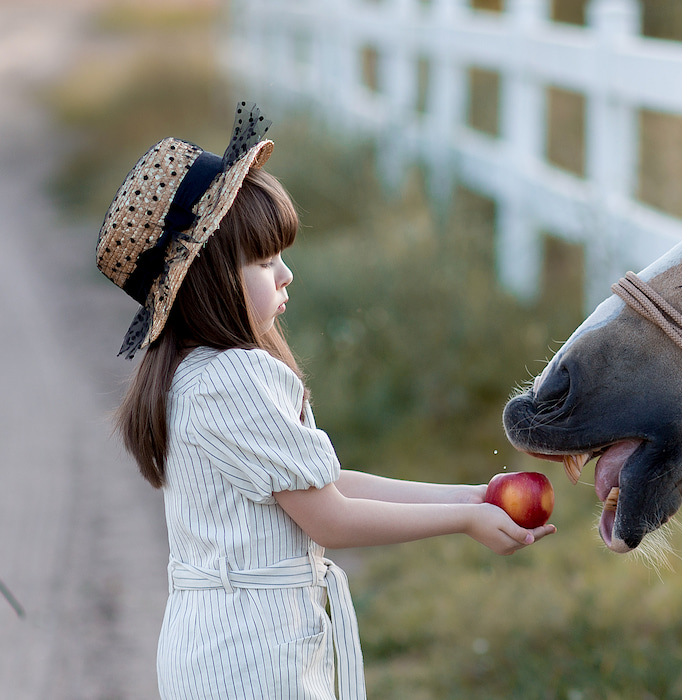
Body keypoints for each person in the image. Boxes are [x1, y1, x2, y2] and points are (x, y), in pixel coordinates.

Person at [96, 103, 555, 700]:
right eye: (263, 261)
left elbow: (325, 485)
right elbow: (330, 519)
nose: (285, 275)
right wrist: (466, 520)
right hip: (253, 660)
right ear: (206, 276)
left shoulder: (193, 372)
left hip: (224, 646)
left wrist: (471, 495)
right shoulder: (234, 376)